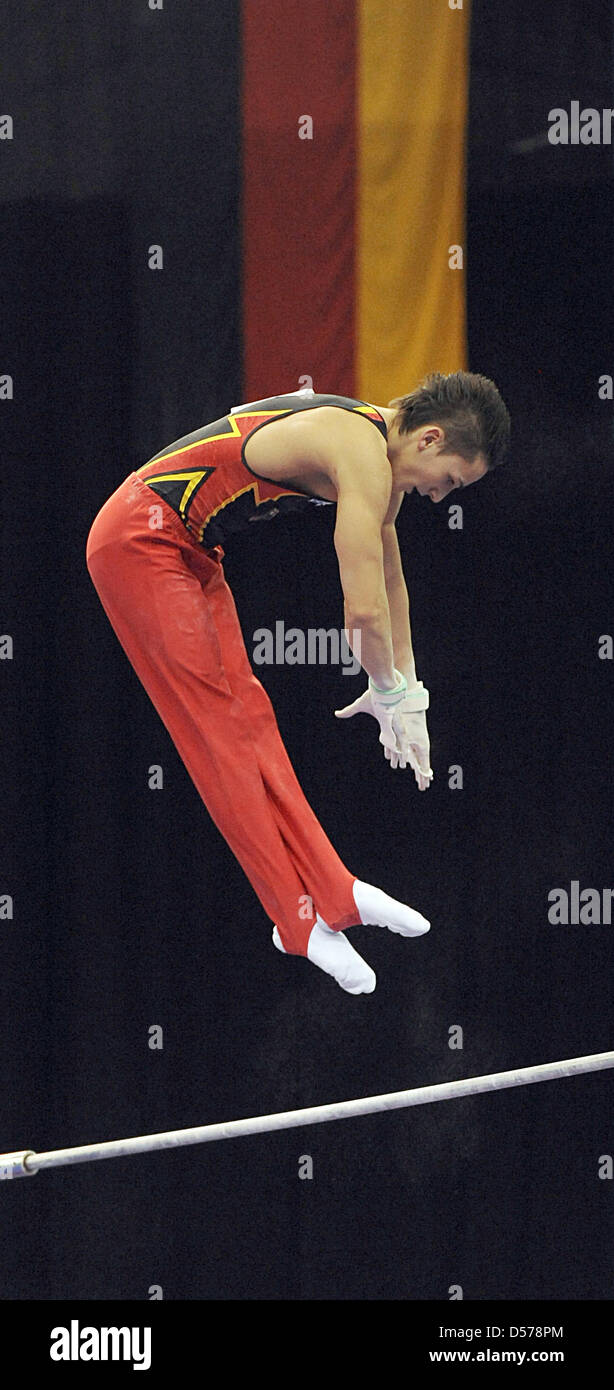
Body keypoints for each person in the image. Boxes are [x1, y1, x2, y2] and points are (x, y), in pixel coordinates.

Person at [85, 371, 510, 995]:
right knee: (218, 736)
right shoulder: (359, 453)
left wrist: (409, 692)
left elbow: (391, 581)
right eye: (450, 480)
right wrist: (383, 686)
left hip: (191, 550)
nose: (443, 498)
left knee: (252, 721)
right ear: (430, 439)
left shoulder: (381, 454)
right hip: (137, 540)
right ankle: (295, 918)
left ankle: (333, 893)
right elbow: (361, 611)